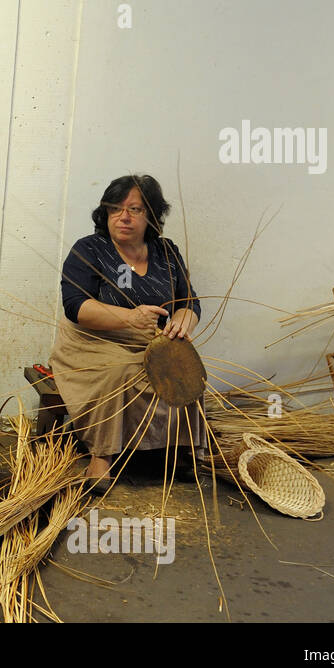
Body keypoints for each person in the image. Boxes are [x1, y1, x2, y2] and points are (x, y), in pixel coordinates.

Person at [50, 174, 204, 492]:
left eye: (134, 209)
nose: (124, 217)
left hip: (150, 340)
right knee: (120, 372)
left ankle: (179, 449)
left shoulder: (167, 252)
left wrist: (182, 322)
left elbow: (189, 301)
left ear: (151, 216)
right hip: (93, 340)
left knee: (185, 370)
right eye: (115, 209)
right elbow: (75, 305)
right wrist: (129, 317)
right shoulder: (90, 249)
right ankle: (101, 456)